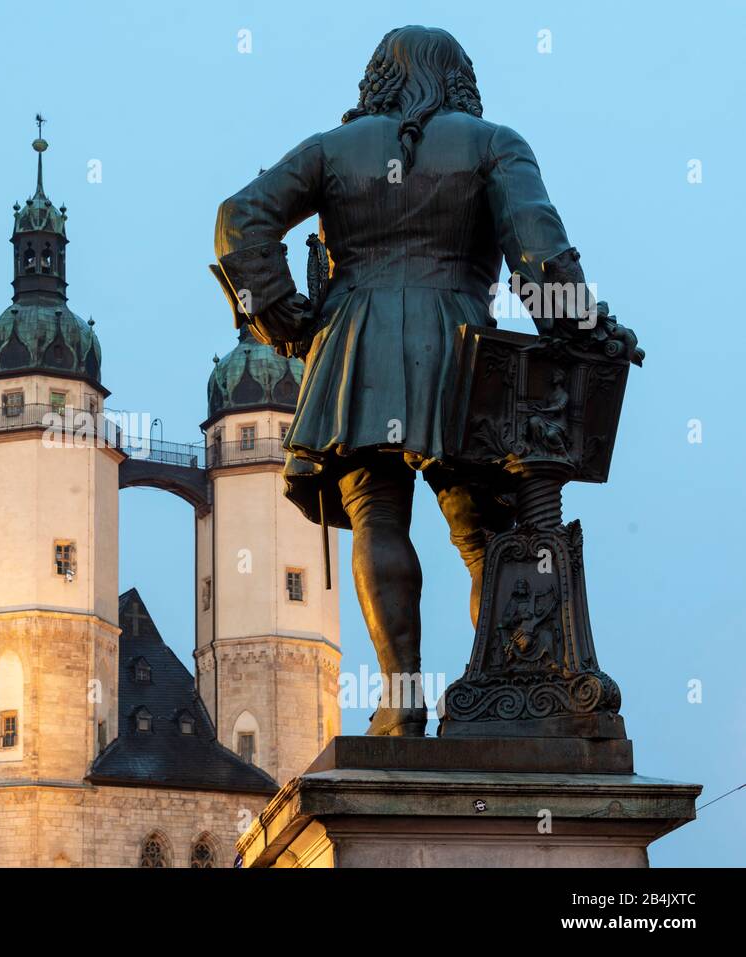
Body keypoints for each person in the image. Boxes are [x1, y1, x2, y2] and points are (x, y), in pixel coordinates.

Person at [213, 25, 594, 735]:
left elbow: (240, 219)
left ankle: (400, 700)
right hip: (463, 347)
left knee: (376, 515)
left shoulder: (333, 148)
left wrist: (282, 314)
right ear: (457, 79)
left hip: (357, 346)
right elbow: (541, 259)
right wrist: (586, 330)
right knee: (486, 532)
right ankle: (504, 693)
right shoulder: (490, 142)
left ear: (377, 82)